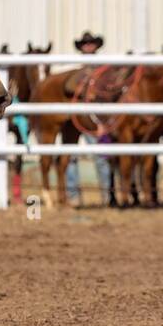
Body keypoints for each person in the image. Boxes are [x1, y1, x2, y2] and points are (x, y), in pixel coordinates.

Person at [65, 30, 115, 206]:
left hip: (95, 121)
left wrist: (103, 123)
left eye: (91, 43)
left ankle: (106, 196)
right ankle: (73, 196)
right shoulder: (76, 73)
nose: (88, 46)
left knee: (101, 158)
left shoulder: (104, 73)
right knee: (70, 157)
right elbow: (69, 88)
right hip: (76, 119)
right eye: (85, 44)